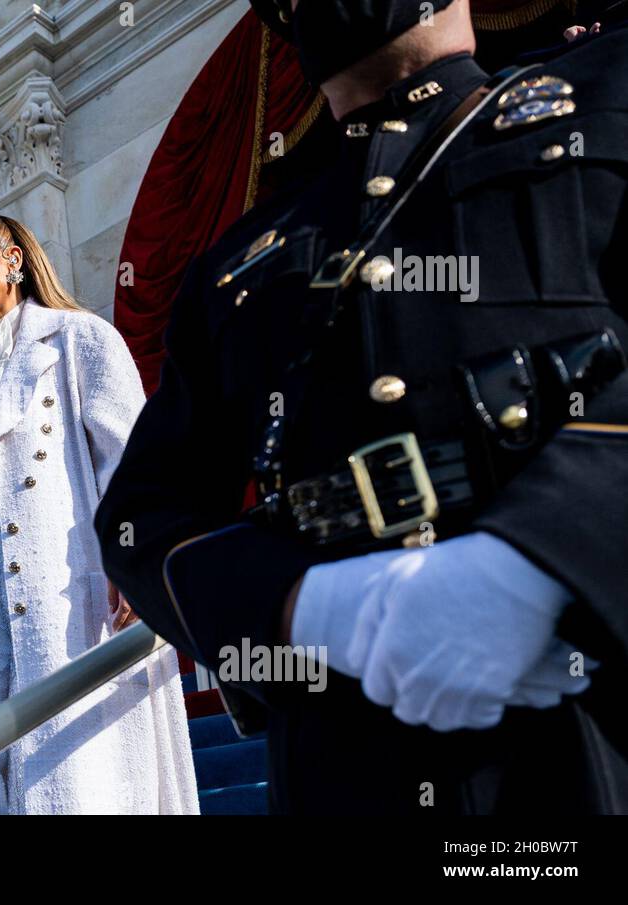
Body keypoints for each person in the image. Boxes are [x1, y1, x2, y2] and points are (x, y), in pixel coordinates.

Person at [96, 0, 628, 814]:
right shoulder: (237, 265)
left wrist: (538, 555)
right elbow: (143, 517)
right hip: (340, 757)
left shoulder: (604, 93)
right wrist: (310, 610)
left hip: (591, 729)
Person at [0, 214, 199, 814]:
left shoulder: (80, 338)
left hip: (64, 561)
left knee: (71, 760)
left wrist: (134, 555)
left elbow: (130, 457)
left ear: (14, 260)